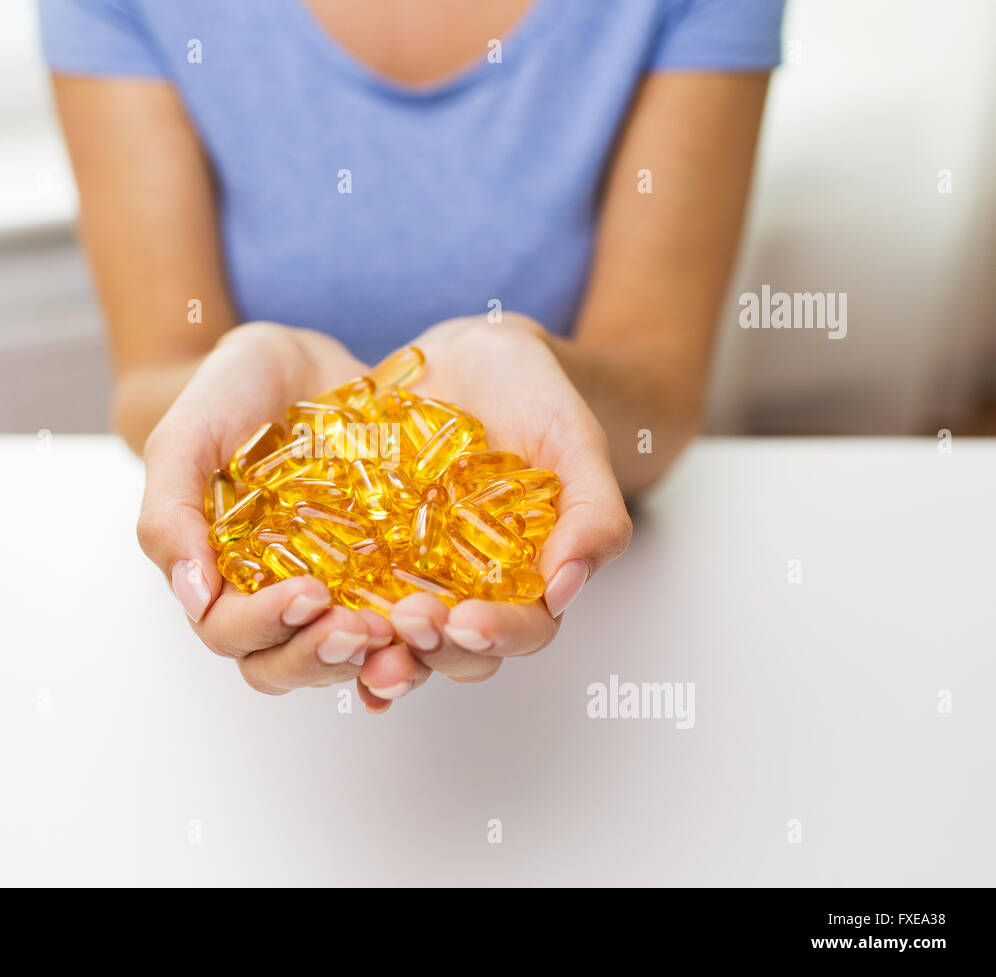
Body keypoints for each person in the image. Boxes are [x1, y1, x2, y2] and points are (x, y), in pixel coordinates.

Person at [39, 0, 784, 711]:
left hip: (616, 640)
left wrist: (526, 360)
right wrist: (242, 364)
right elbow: (152, 374)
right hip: (223, 718)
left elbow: (661, 398)